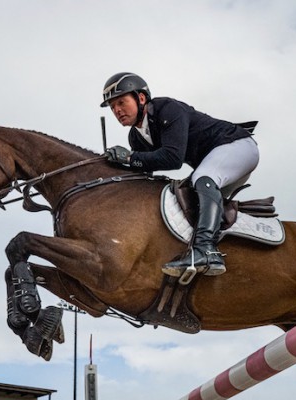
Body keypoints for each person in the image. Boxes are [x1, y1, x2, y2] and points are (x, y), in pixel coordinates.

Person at [100, 72, 259, 278]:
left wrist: (129, 158)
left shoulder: (167, 108)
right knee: (190, 200)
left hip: (237, 147)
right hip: (214, 164)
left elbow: (173, 159)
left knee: (201, 179)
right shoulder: (136, 137)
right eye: (113, 107)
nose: (117, 110)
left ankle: (206, 251)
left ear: (141, 98)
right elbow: (141, 176)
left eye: (121, 102)